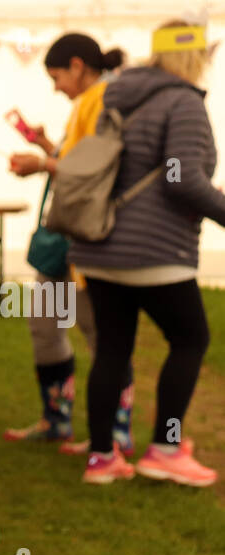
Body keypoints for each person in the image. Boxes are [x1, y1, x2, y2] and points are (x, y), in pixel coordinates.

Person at [68, 20, 220, 486]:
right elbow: (179, 178)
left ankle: (100, 458)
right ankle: (166, 447)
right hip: (155, 250)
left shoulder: (118, 95)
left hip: (101, 244)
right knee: (191, 340)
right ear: (195, 57)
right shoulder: (184, 102)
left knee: (113, 350)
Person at [4, 34, 131, 452]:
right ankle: (57, 420)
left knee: (99, 336)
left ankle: (114, 433)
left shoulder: (105, 98)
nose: (56, 86)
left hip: (88, 247)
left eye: (57, 76)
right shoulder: (88, 102)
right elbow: (77, 162)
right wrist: (44, 147)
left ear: (77, 65)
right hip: (64, 244)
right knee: (45, 327)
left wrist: (43, 162)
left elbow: (96, 171)